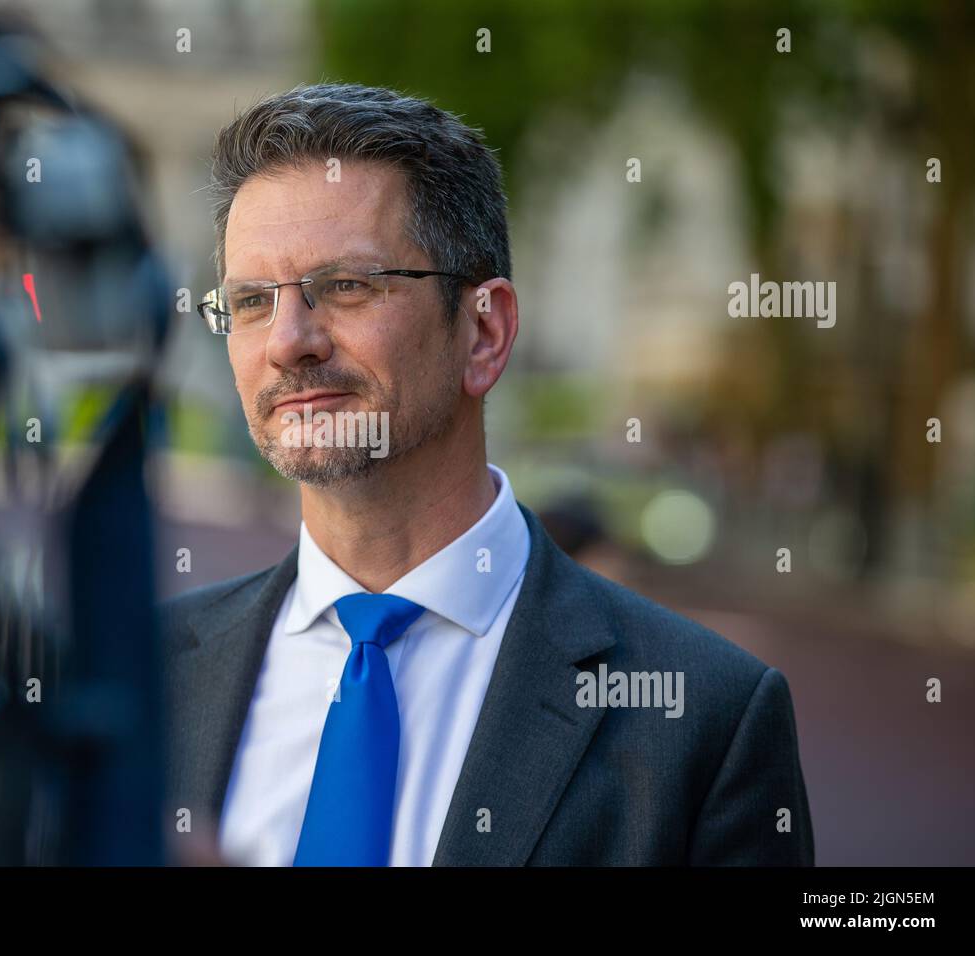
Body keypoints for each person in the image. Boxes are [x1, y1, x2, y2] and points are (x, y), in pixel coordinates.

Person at [159, 82, 813, 867]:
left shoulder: (706, 720)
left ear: (485, 331)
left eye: (345, 286)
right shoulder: (146, 674)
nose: (289, 341)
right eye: (253, 300)